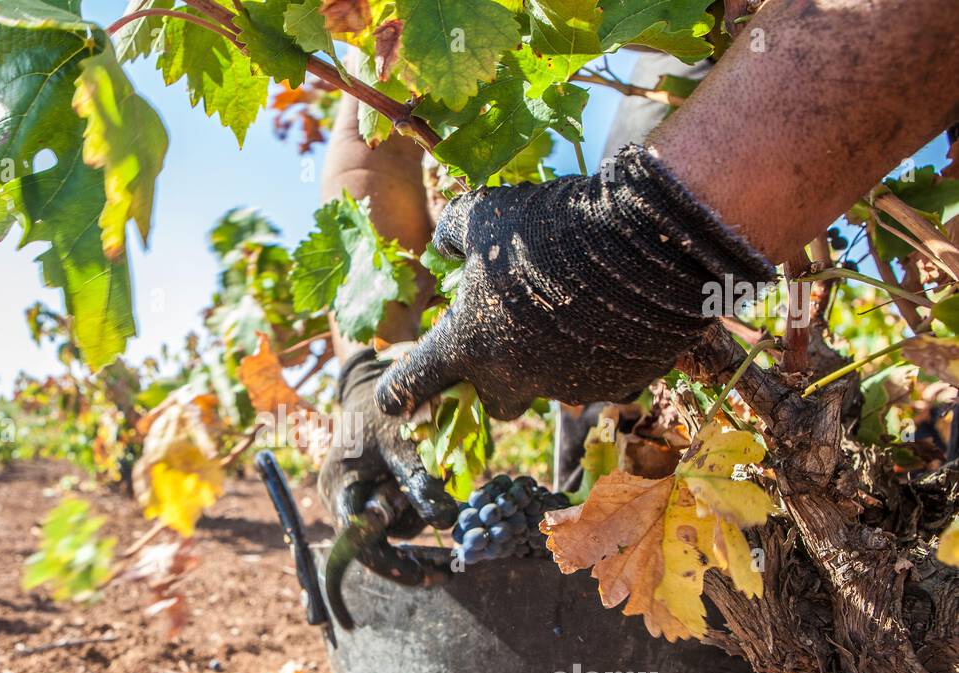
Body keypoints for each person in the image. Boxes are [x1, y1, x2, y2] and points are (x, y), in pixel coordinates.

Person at [319, 0, 959, 553]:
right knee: (597, 296)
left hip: (793, 29)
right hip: (697, 33)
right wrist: (367, 372)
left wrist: (668, 234)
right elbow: (377, 134)